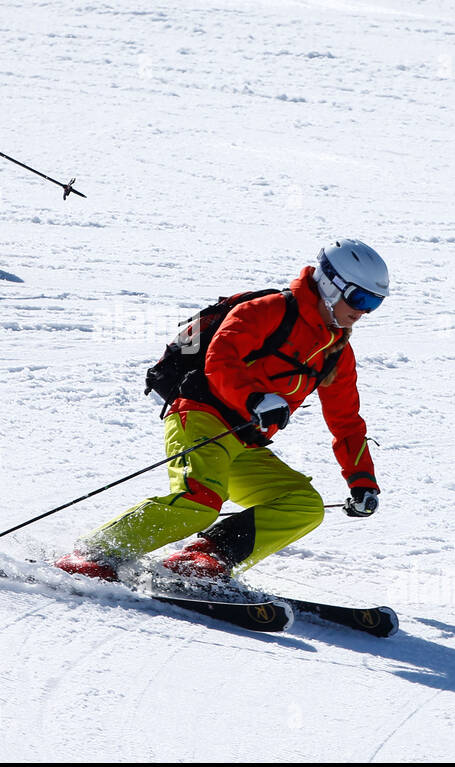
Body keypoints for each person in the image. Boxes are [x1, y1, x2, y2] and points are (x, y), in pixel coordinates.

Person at [56, 240, 389, 582]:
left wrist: (361, 480)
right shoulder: (268, 310)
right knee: (199, 503)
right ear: (330, 284)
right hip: (201, 416)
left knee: (302, 505)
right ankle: (96, 552)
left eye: (374, 303)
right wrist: (254, 399)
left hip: (244, 440)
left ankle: (205, 558)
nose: (363, 311)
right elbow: (220, 360)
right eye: (359, 298)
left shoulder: (335, 352)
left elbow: (346, 422)